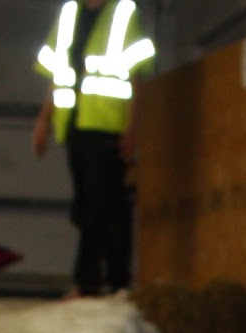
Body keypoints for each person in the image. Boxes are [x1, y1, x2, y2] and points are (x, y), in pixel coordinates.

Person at [32, 0, 155, 297]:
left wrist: (132, 129)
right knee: (88, 204)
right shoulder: (69, 14)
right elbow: (57, 74)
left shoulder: (123, 13)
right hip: (74, 125)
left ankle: (104, 283)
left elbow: (137, 78)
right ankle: (101, 283)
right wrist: (44, 120)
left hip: (106, 124)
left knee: (105, 207)